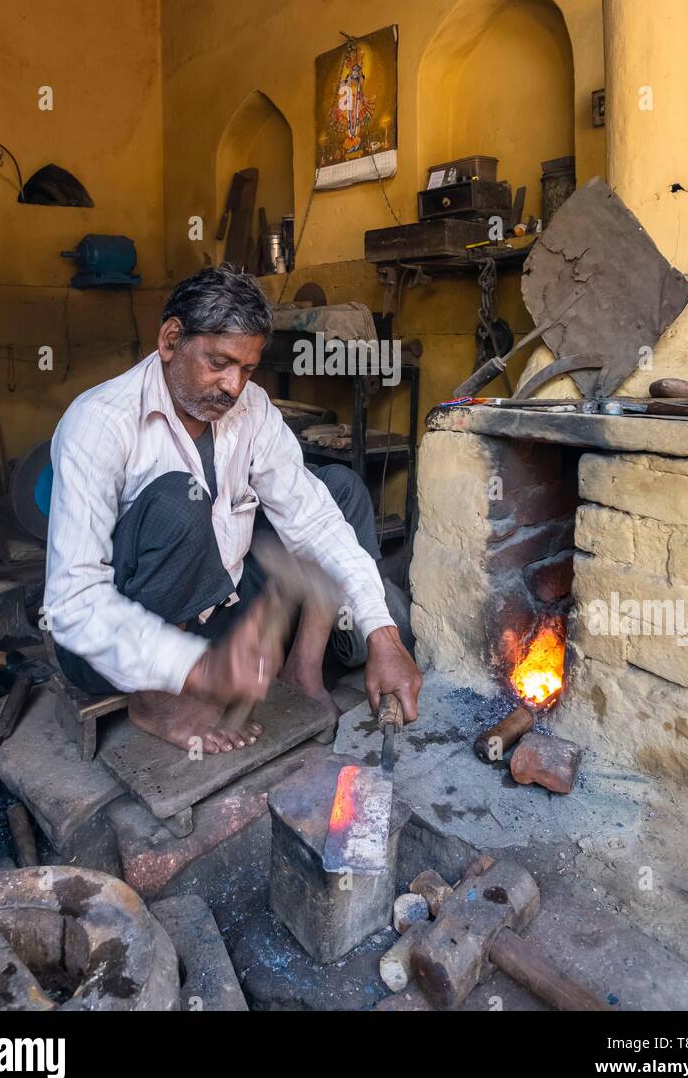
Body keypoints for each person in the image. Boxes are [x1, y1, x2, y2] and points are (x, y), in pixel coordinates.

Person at [44, 264, 422, 753]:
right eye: (219, 362)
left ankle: (302, 669)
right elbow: (72, 604)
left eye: (246, 369)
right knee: (180, 501)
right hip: (115, 639)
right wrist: (198, 671)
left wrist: (383, 636)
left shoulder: (252, 410)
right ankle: (156, 699)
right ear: (170, 339)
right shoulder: (99, 423)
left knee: (335, 491)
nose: (233, 386)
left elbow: (314, 520)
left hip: (221, 609)